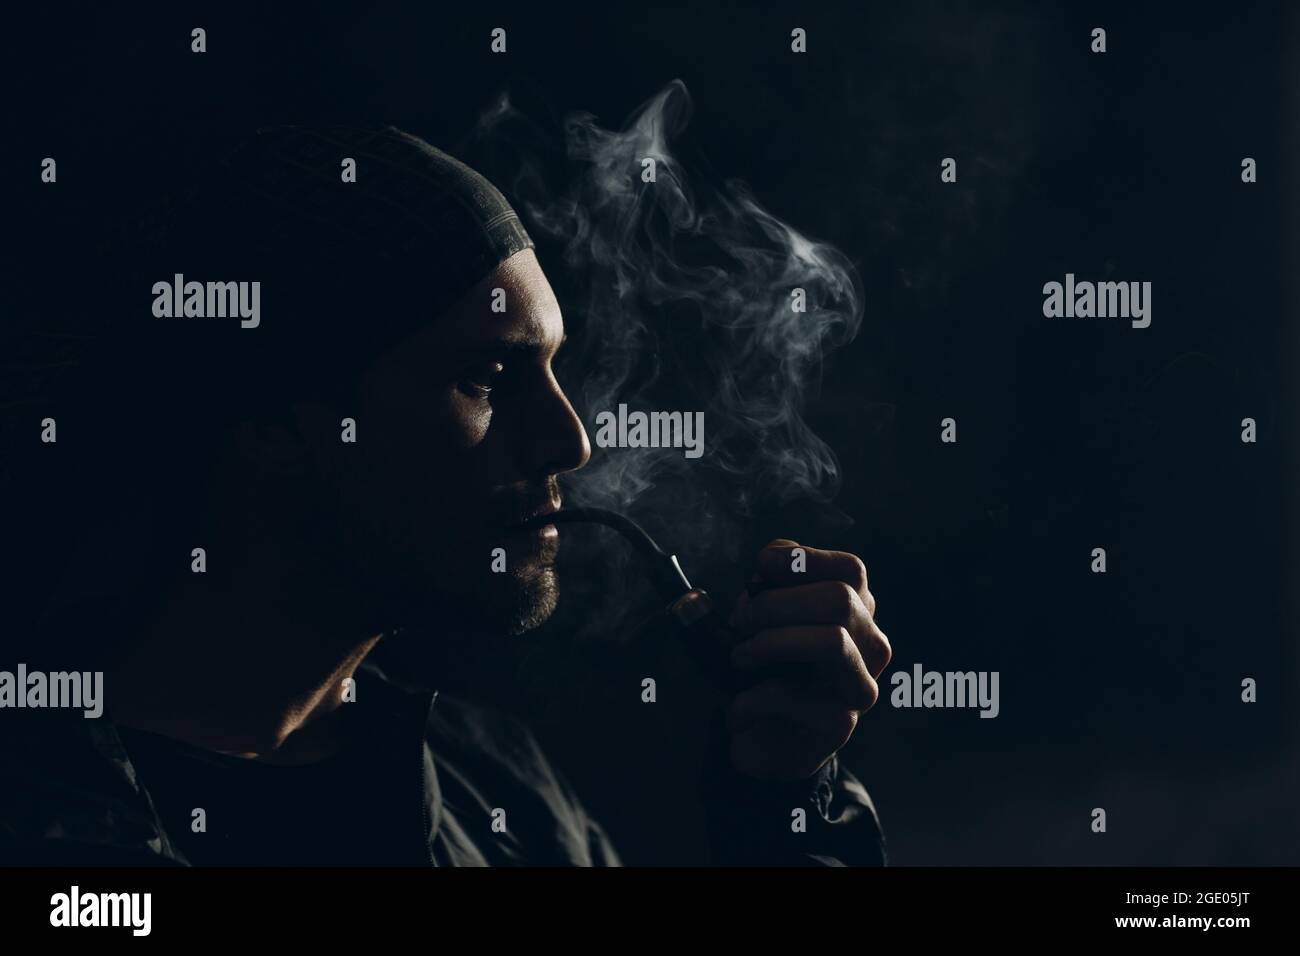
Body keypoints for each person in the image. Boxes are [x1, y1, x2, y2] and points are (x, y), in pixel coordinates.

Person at [0, 126, 892, 866]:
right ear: (272, 419)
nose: (571, 441)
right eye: (489, 375)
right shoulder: (43, 814)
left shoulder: (505, 794)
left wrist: (783, 803)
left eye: (552, 368)